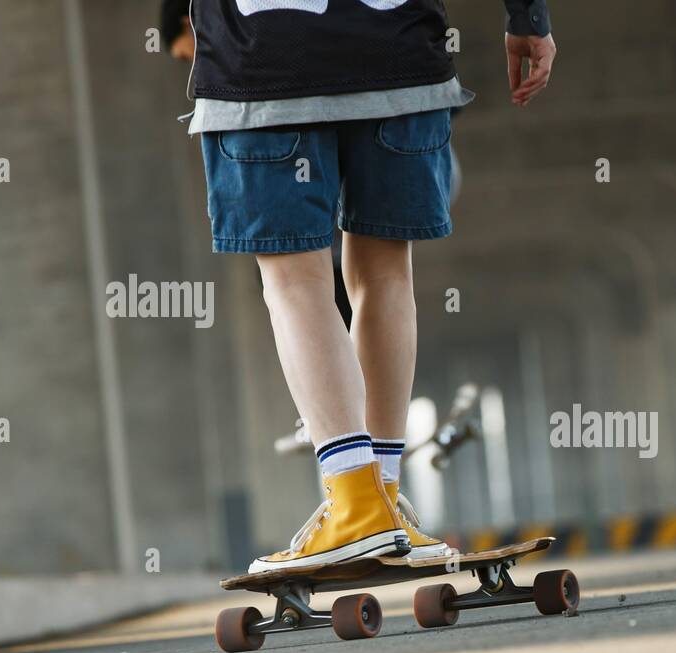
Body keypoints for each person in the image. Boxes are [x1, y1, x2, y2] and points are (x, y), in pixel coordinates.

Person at [187, 0, 555, 572]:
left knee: (293, 278)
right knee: (385, 269)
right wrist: (527, 18)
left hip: (263, 63)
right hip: (401, 59)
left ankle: (356, 502)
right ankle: (382, 497)